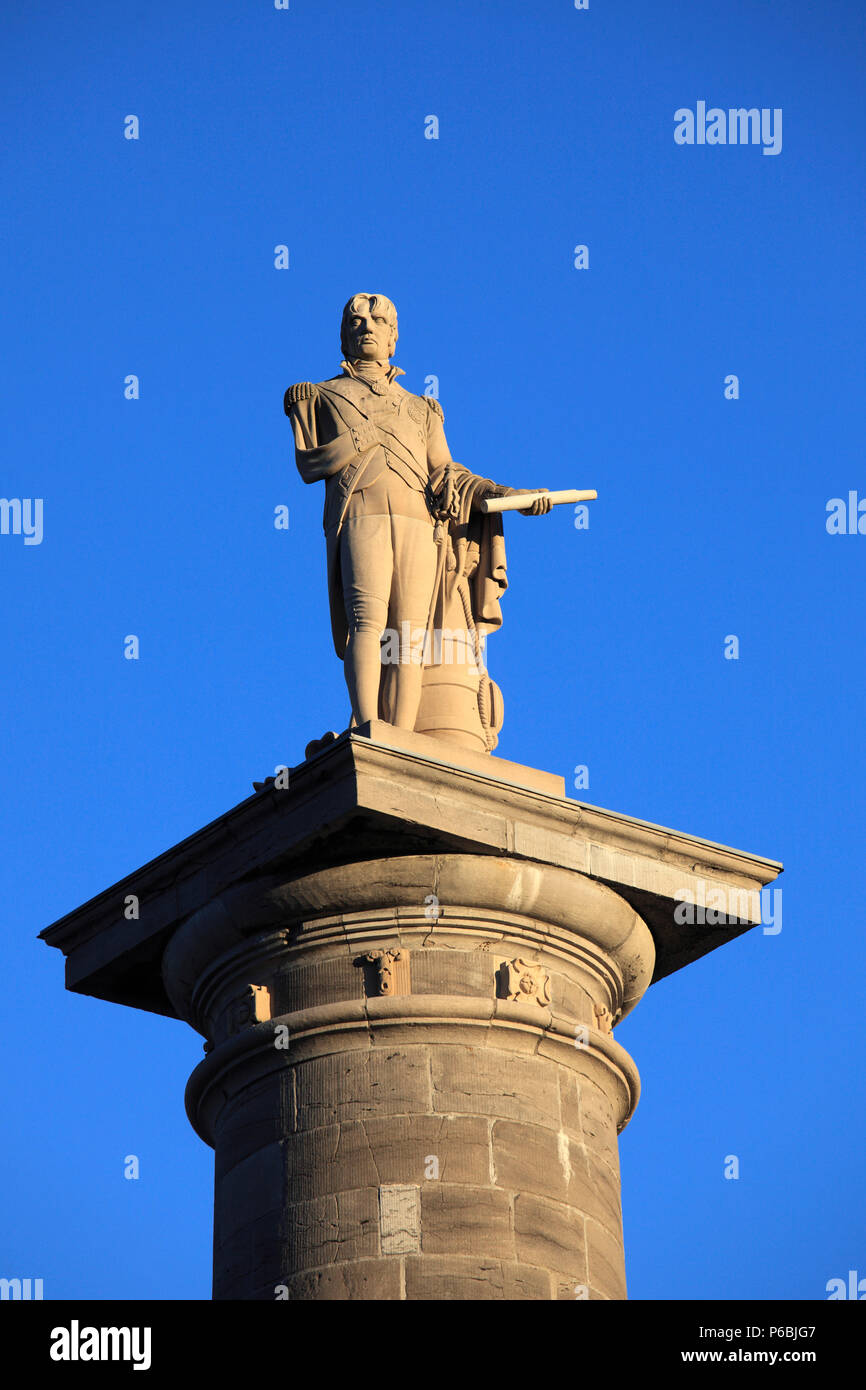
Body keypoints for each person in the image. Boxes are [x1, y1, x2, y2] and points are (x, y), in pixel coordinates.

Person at [285, 293, 550, 745]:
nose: (367, 327)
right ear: (344, 337)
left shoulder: (423, 409)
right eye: (356, 321)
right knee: (367, 622)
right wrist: (368, 433)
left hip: (418, 523)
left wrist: (509, 496)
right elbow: (310, 465)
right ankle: (368, 727)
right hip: (361, 515)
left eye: (378, 321)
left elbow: (448, 473)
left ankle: (401, 739)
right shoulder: (320, 395)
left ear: (393, 338)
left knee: (409, 635)